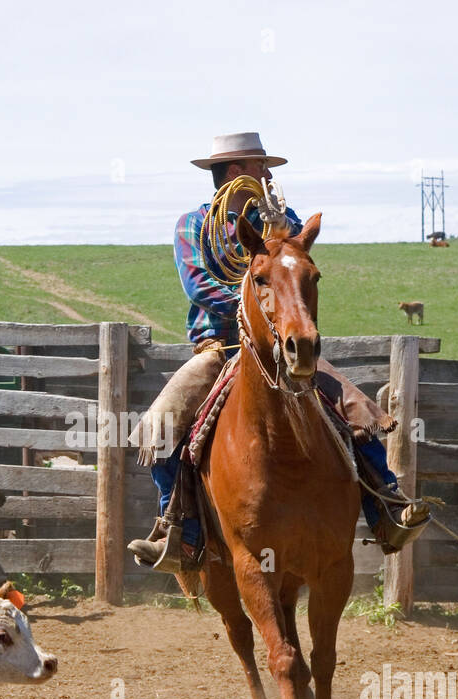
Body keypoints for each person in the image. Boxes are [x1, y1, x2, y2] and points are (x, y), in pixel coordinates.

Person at [126, 132, 430, 572]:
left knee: (352, 406)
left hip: (278, 347)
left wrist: (278, 236)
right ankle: (180, 532)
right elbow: (196, 283)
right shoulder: (192, 224)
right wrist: (252, 299)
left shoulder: (280, 218)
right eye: (260, 166)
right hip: (221, 345)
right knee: (161, 427)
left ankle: (387, 504)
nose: (268, 175)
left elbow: (294, 265)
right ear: (235, 172)